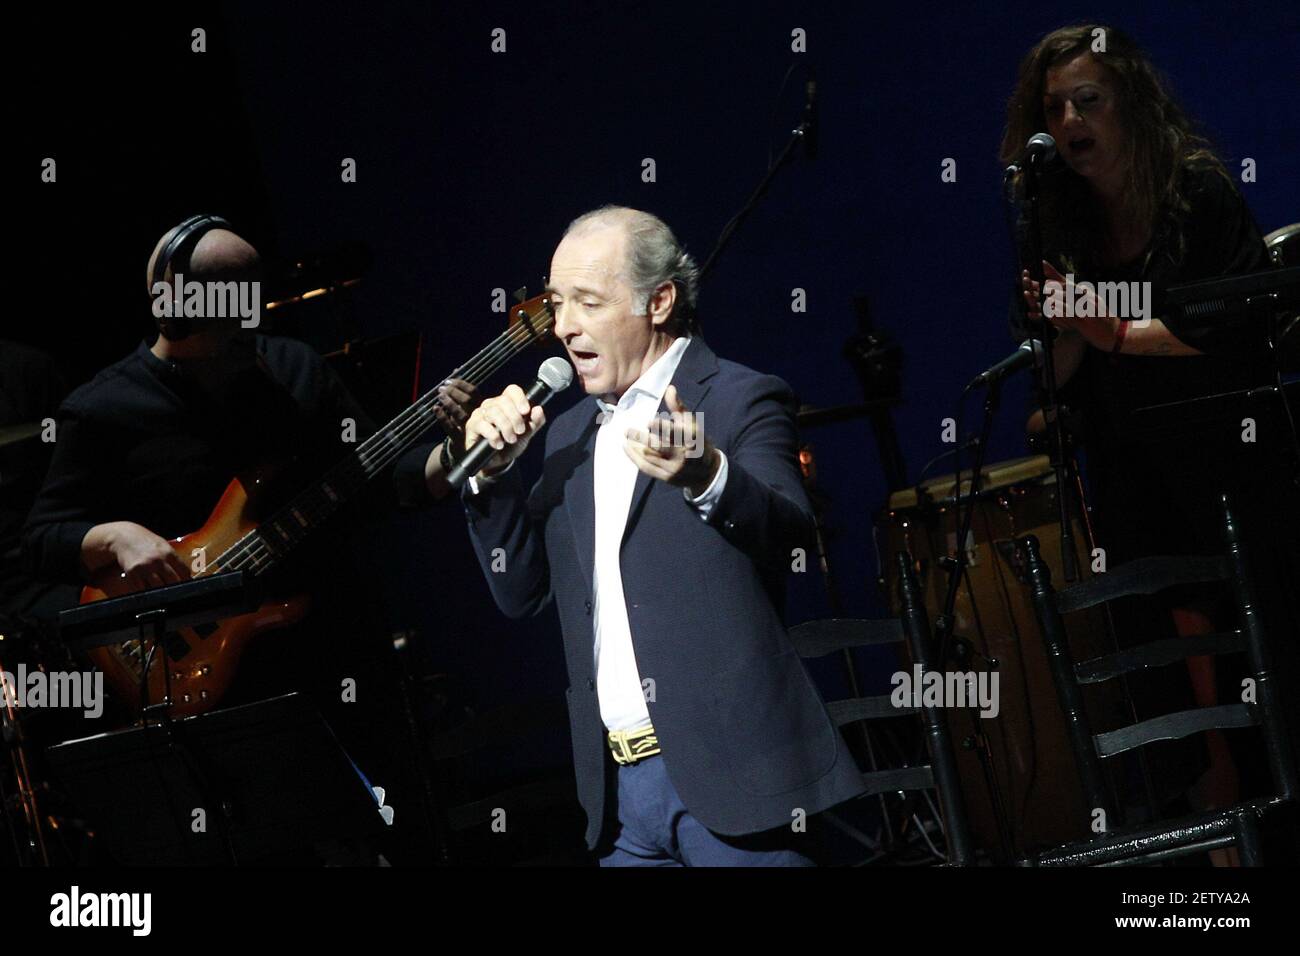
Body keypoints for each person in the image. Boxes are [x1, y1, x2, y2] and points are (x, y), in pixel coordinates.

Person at [22, 214, 478, 861]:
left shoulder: (290, 371)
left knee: (392, 832)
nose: (253, 319)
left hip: (329, 649)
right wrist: (113, 536)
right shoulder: (102, 409)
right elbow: (41, 538)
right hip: (217, 692)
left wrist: (455, 454)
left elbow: (380, 479)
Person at [458, 206, 864, 866]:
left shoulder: (737, 397)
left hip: (737, 782)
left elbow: (792, 535)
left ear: (659, 301)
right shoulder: (566, 437)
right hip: (620, 803)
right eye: (558, 305)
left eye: (587, 302)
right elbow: (521, 594)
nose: (563, 327)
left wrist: (706, 473)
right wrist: (491, 480)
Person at [1004, 25, 1276, 849]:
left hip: (1223, 443)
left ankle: (1261, 801)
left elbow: (1234, 325)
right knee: (1161, 629)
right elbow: (1070, 349)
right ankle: (1203, 804)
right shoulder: (1062, 215)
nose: (1070, 118)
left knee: (1238, 626)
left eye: (1089, 100)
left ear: (1130, 105)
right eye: (1055, 107)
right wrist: (1063, 335)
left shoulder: (1194, 191)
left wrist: (1112, 329)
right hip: (1128, 453)